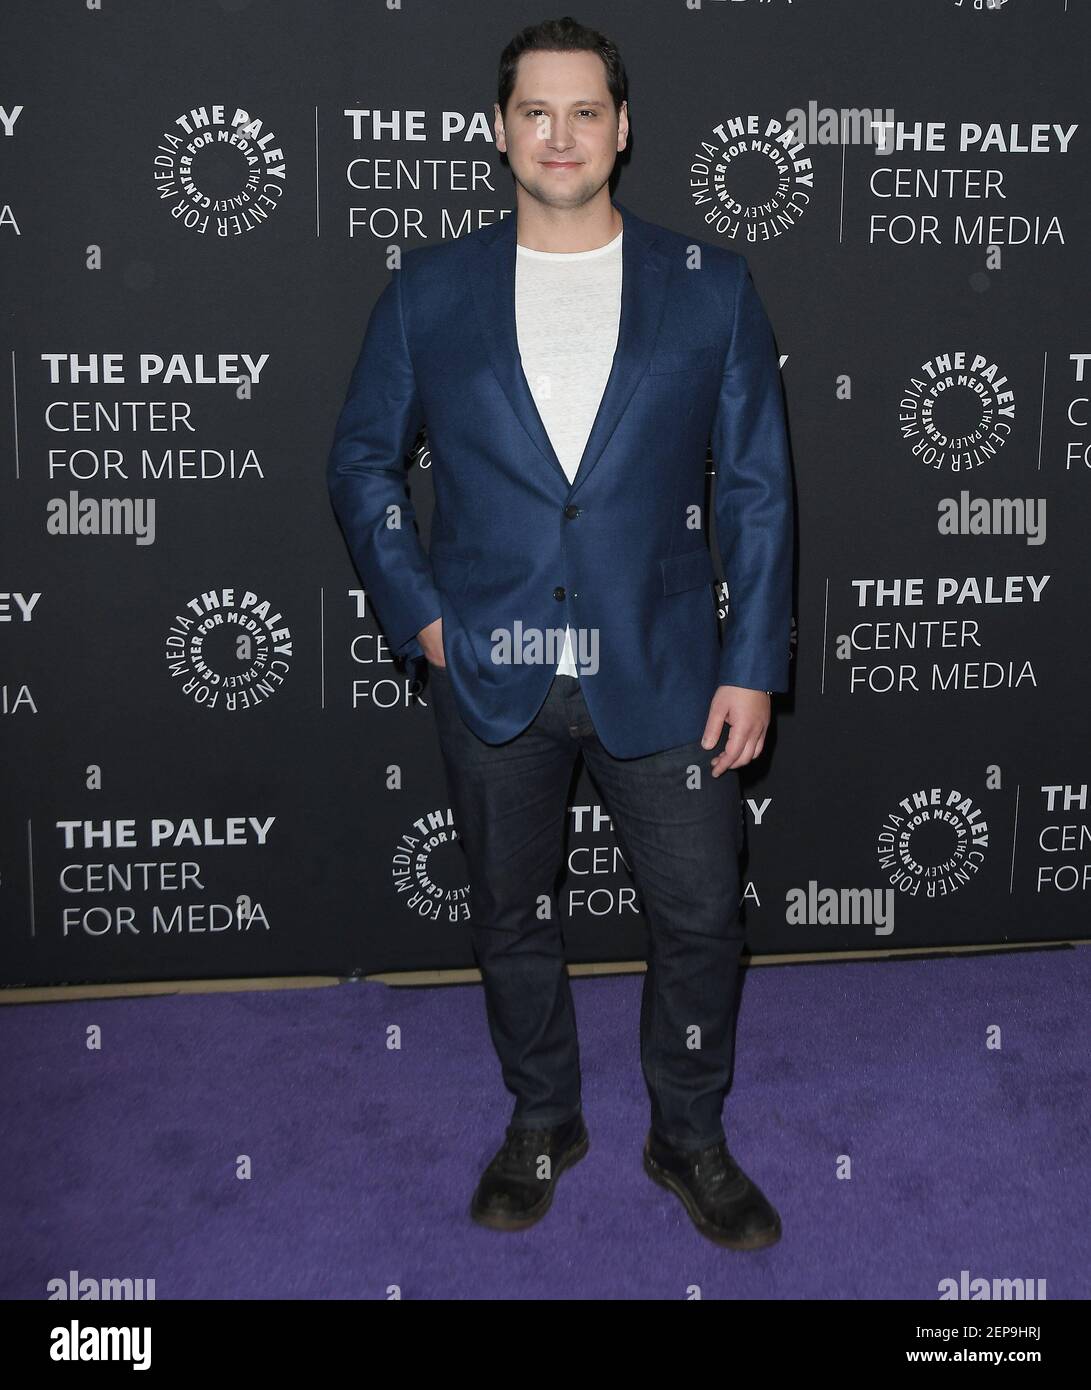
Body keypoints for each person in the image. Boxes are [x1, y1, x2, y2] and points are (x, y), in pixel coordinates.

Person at [327, 16, 793, 1250]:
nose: (560, 134)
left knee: (698, 920)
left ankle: (686, 1131)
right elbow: (363, 461)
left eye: (585, 111)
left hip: (668, 670)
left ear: (621, 128)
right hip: (488, 670)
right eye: (535, 111)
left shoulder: (713, 286)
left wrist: (753, 661)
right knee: (510, 917)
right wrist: (419, 612)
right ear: (499, 131)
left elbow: (752, 487)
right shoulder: (429, 291)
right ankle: (543, 1116)